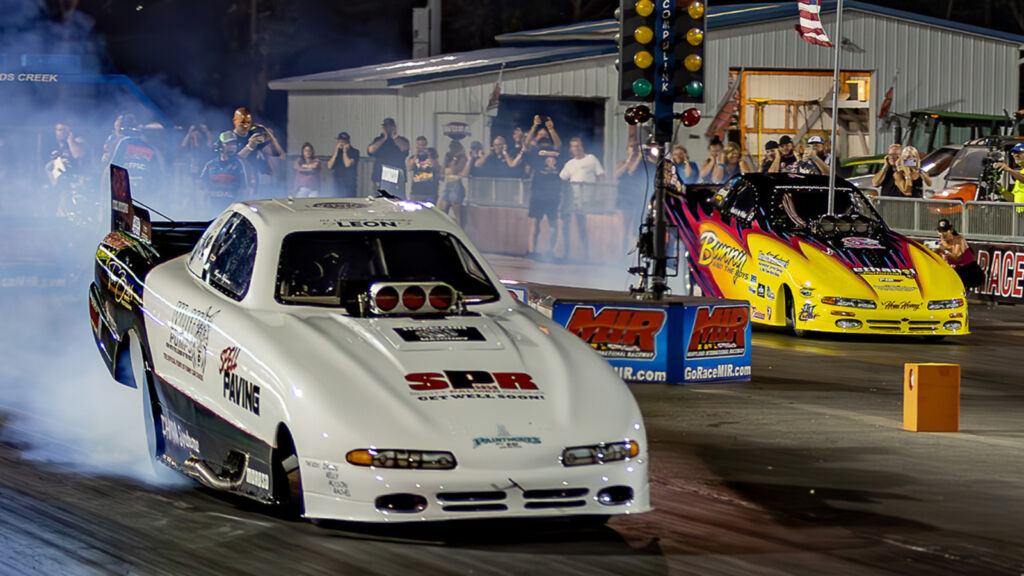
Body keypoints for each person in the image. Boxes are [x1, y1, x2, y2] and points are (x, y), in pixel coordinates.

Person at [559, 137, 605, 260]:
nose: (577, 148)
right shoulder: (569, 164)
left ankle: (585, 254)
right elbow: (562, 178)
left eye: (578, 145)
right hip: (572, 199)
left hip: (587, 199)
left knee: (583, 226)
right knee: (567, 225)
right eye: (574, 146)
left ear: (582, 147)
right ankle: (567, 254)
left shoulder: (591, 159)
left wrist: (600, 192)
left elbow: (601, 175)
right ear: (571, 149)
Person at [223, 107, 285, 195]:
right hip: (232, 179)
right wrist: (249, 146)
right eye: (242, 123)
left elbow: (280, 155)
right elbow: (231, 161)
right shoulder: (228, 136)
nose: (246, 126)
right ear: (235, 121)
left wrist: (271, 137)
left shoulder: (253, 137)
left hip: (252, 178)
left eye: (248, 123)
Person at [617, 134, 655, 252]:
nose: (633, 149)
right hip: (626, 198)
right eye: (631, 147)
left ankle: (639, 251)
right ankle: (624, 253)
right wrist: (637, 156)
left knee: (639, 226)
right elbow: (630, 171)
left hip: (639, 197)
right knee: (625, 228)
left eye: (635, 147)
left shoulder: (645, 162)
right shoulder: (624, 162)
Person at [199, 132, 251, 214]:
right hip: (211, 210)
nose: (232, 147)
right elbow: (201, 187)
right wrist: (203, 206)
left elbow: (245, 190)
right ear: (219, 146)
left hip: (230, 212)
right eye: (228, 144)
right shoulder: (210, 165)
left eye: (234, 144)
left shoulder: (239, 165)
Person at [935, 219, 985, 289]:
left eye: (945, 231)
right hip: (956, 273)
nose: (942, 234)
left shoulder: (959, 240)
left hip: (970, 273)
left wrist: (944, 251)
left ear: (951, 230)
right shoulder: (941, 243)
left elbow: (957, 258)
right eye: (940, 231)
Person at [367, 117, 410, 190]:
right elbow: (371, 150)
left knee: (396, 199)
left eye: (390, 126)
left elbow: (404, 148)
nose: (388, 128)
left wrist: (394, 137)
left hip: (396, 177)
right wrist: (384, 138)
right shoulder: (378, 140)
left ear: (394, 127)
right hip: (380, 176)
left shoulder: (401, 140)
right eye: (385, 127)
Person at [438, 140, 470, 224]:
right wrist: (445, 161)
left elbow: (454, 170)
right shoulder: (449, 158)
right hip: (448, 185)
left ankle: (459, 228)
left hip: (456, 184)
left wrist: (456, 157)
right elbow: (442, 172)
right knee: (442, 208)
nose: (452, 150)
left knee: (456, 211)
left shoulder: (462, 158)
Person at [407, 136, 440, 203]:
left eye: (423, 146)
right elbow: (410, 168)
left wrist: (429, 155)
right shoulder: (413, 158)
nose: (421, 148)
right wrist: (416, 155)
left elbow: (437, 168)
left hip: (430, 192)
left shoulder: (432, 156)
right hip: (416, 191)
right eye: (419, 146)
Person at [327, 131, 360, 197]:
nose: (340, 143)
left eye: (342, 142)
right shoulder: (337, 153)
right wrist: (336, 152)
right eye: (339, 141)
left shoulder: (354, 152)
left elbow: (347, 164)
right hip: (337, 182)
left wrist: (345, 152)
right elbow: (329, 166)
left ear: (347, 142)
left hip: (349, 183)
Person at [994, 142, 1024, 212]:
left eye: (1019, 152)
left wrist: (1008, 169)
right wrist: (1001, 189)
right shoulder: (1020, 173)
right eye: (1013, 153)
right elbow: (1013, 199)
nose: (1015, 155)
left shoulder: (1020, 176)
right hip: (1019, 215)